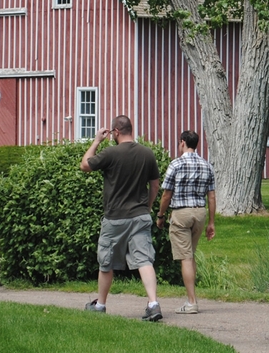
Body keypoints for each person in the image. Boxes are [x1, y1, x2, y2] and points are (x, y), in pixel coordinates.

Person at [80, 115, 163, 321]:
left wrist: (97, 140)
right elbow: (155, 185)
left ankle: (100, 305)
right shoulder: (147, 153)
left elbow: (85, 165)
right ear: (130, 129)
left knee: (106, 262)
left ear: (116, 131)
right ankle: (153, 304)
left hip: (115, 217)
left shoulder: (110, 153)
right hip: (140, 215)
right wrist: (148, 206)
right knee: (144, 259)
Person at [156, 130, 216, 315]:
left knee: (186, 257)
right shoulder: (207, 165)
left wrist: (160, 214)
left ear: (182, 142)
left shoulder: (176, 164)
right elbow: (212, 196)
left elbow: (167, 194)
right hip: (199, 212)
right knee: (190, 255)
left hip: (181, 213)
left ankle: (191, 302)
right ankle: (191, 298)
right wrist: (211, 222)